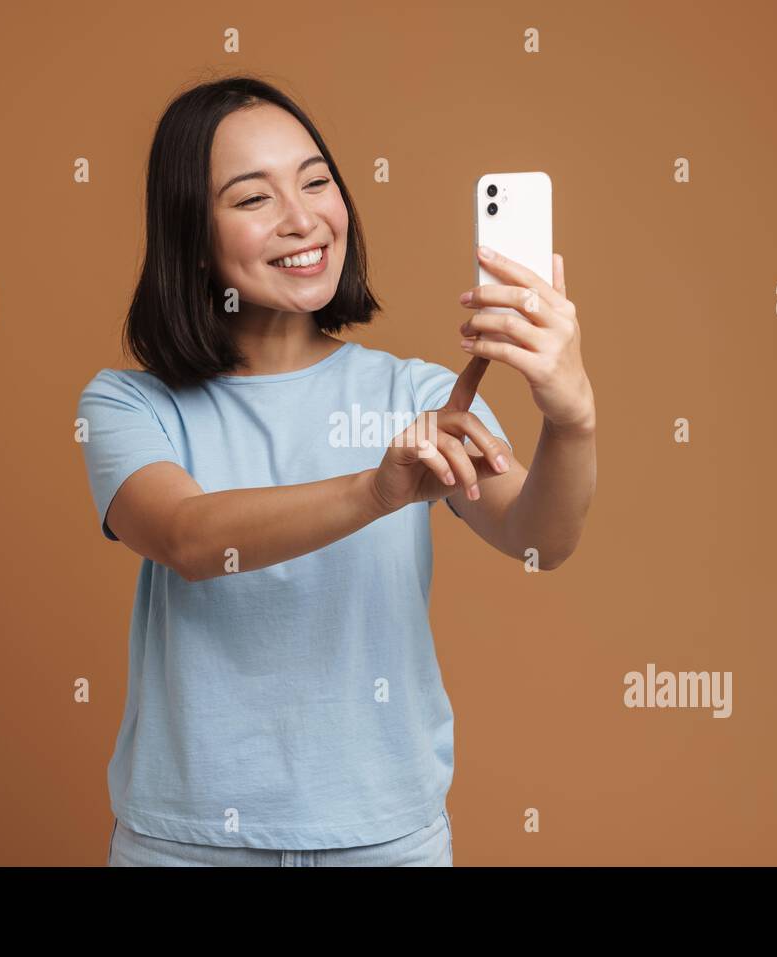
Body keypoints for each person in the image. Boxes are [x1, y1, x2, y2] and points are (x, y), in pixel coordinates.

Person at [77, 74, 596, 866]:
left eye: (316, 181)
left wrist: (571, 418)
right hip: (185, 847)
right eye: (253, 199)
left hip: (386, 842)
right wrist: (376, 489)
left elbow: (540, 536)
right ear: (192, 233)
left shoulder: (416, 394)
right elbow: (187, 536)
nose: (303, 217)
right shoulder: (129, 406)